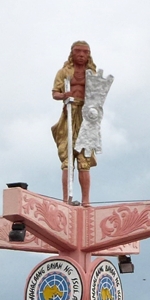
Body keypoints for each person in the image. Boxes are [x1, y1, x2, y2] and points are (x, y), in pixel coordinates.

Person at [51, 41, 98, 205]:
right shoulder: (64, 72)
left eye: (85, 52)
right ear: (72, 53)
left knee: (84, 158)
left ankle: (86, 200)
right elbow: (55, 93)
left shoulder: (92, 73)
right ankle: (66, 199)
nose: (81, 55)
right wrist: (64, 95)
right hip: (69, 113)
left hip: (86, 115)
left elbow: (98, 94)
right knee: (67, 157)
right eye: (78, 51)